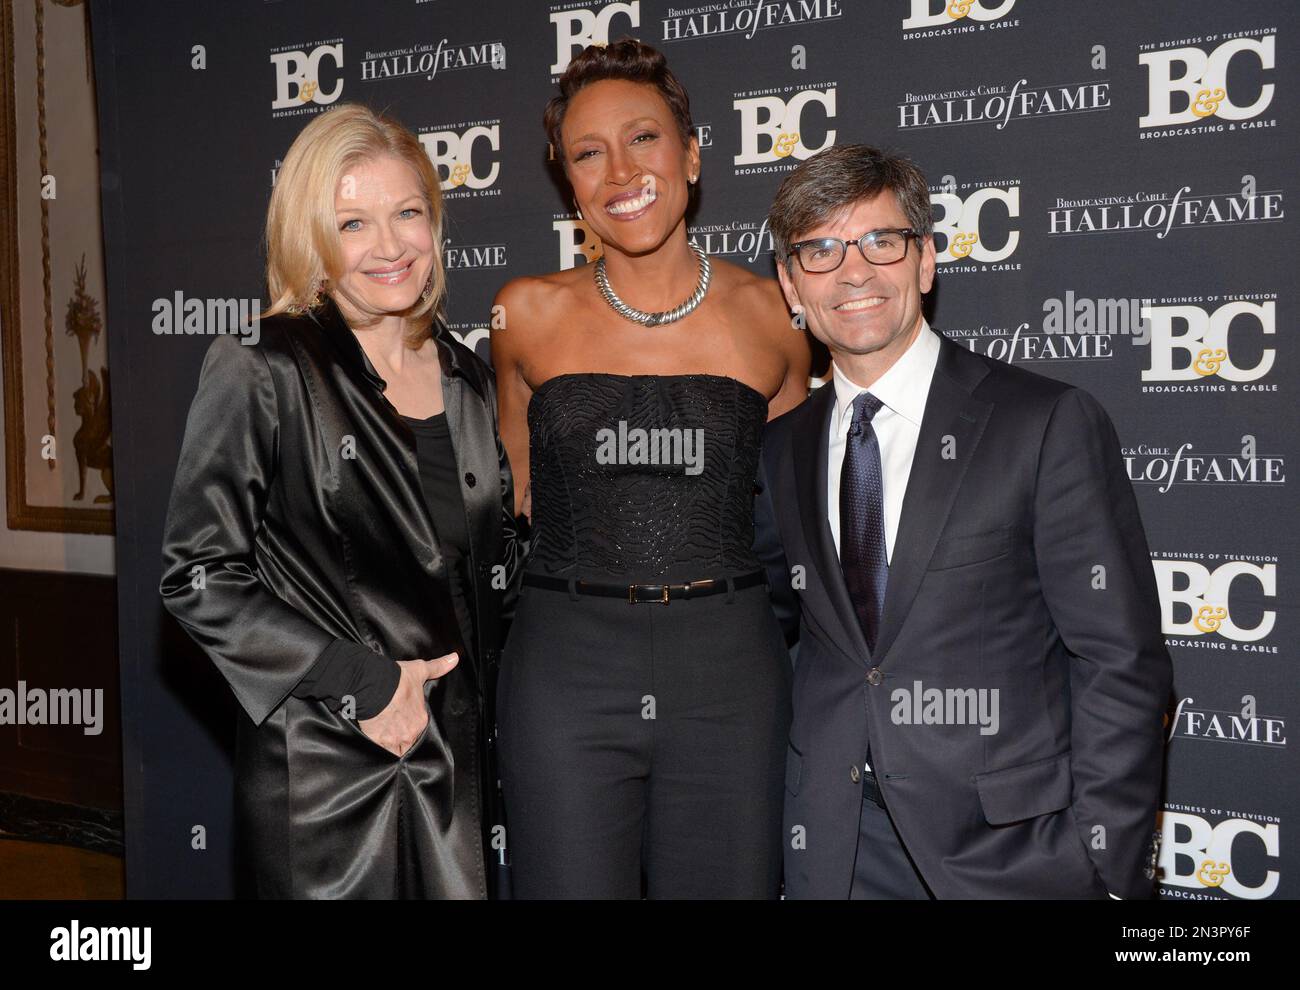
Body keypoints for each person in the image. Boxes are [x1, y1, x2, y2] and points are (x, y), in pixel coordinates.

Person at [756, 143, 1172, 899]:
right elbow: (772, 634)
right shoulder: (780, 448)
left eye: (881, 241)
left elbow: (1120, 659)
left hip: (1011, 859)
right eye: (818, 250)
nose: (853, 272)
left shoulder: (1043, 423)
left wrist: (1106, 867)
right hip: (835, 852)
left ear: (925, 262)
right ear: (790, 283)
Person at [159, 103, 521, 899]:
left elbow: (495, 566)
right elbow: (199, 574)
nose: (389, 246)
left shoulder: (470, 378)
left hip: (460, 763)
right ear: (311, 240)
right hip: (329, 771)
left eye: (407, 214)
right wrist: (364, 681)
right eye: (353, 223)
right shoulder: (265, 367)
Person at [490, 39, 811, 898]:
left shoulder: (774, 316)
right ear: (568, 184)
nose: (620, 170)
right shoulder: (525, 316)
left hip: (729, 672)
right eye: (588, 154)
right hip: (566, 667)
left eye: (644, 139)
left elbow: (792, 519)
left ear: (693, 155)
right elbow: (512, 495)